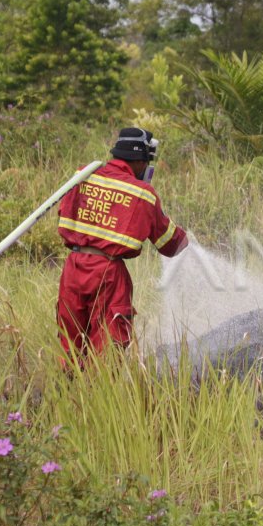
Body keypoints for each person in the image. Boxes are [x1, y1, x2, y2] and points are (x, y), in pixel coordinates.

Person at [57, 127, 188, 365]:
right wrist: (187, 240)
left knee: (70, 341)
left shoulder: (83, 175)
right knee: (108, 345)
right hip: (108, 274)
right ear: (140, 160)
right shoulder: (143, 193)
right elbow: (170, 245)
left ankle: (67, 393)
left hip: (73, 269)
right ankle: (99, 397)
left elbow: (63, 211)